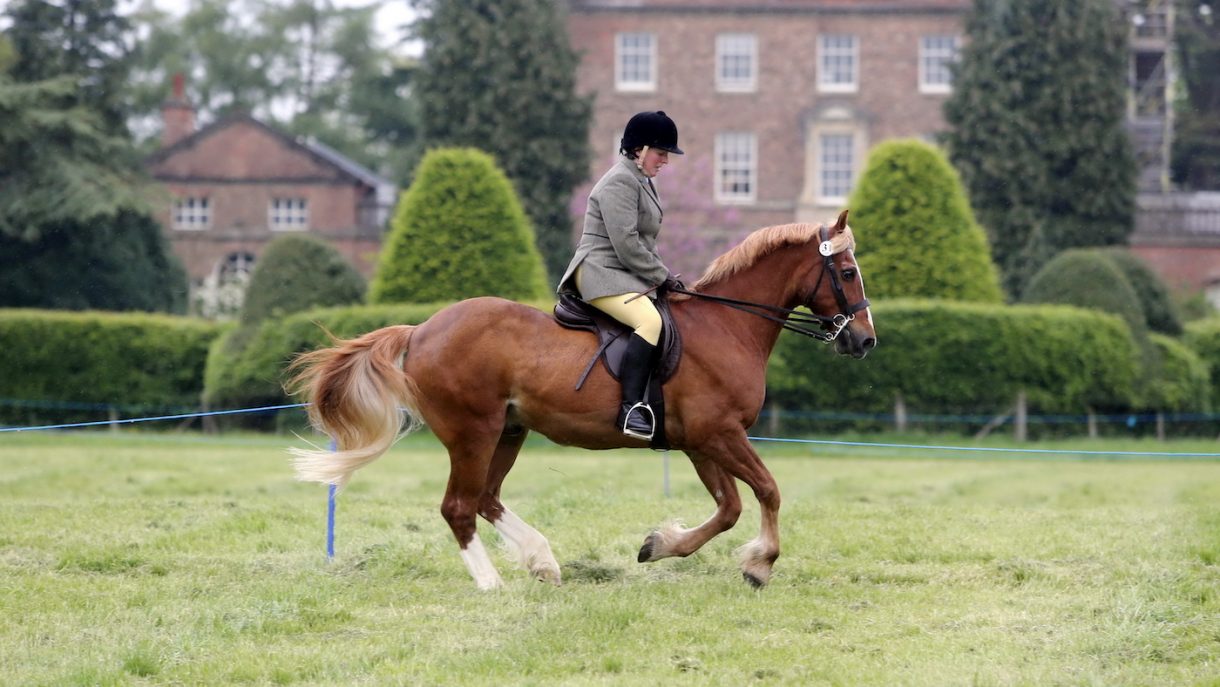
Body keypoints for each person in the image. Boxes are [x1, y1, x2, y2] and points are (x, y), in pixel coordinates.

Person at [557, 110, 684, 440]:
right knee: (649, 322)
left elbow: (644, 242)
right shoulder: (619, 182)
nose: (665, 160)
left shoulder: (641, 181)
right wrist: (662, 275)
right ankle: (631, 409)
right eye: (661, 153)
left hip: (622, 272)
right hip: (600, 270)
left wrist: (665, 277)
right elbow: (626, 244)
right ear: (639, 150)